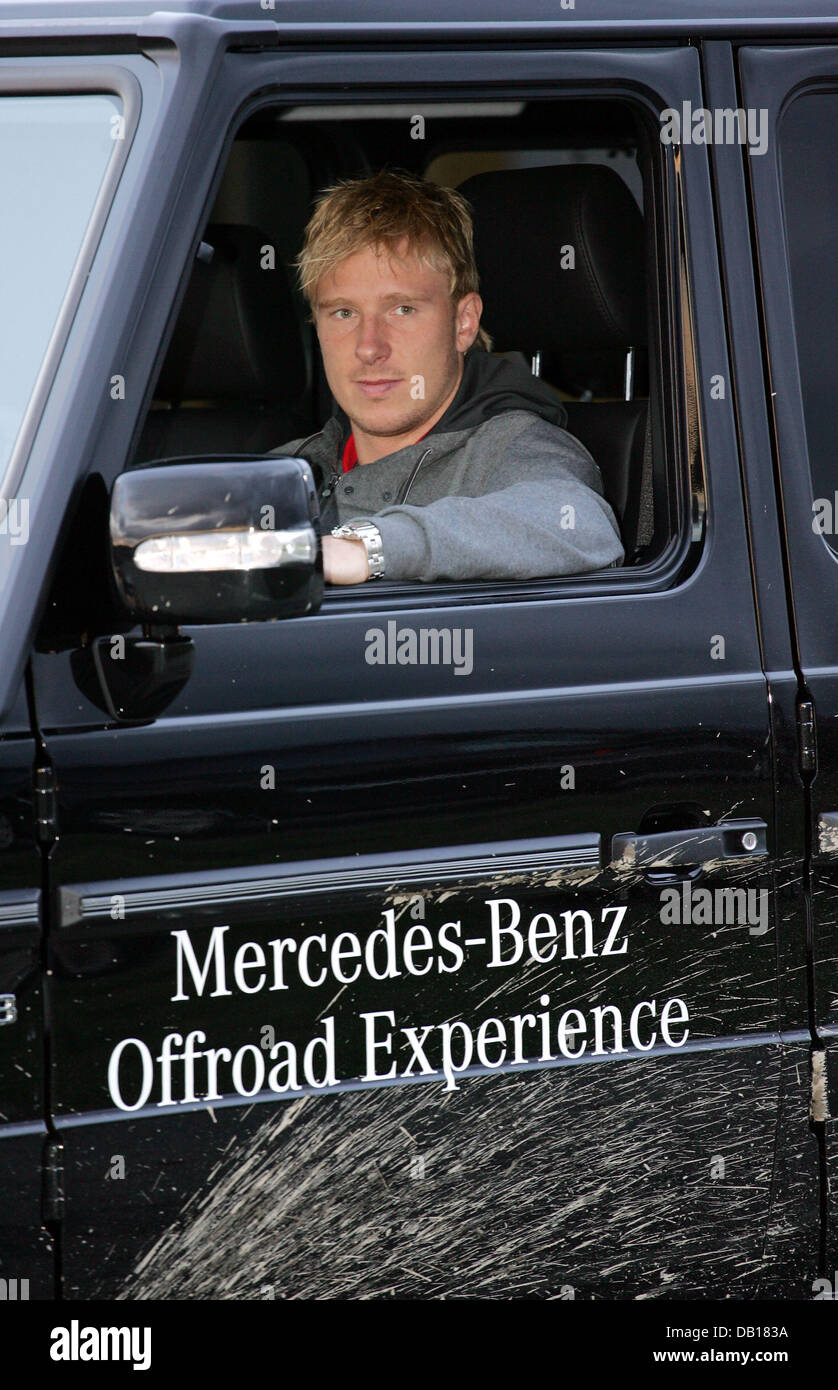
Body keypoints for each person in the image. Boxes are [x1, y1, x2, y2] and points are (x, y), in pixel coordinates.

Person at [269, 168, 624, 585]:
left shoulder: (510, 449)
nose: (368, 347)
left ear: (463, 322)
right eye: (343, 313)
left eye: (402, 309)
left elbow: (580, 524)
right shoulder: (288, 470)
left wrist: (371, 548)